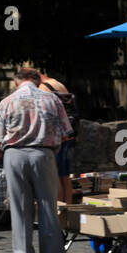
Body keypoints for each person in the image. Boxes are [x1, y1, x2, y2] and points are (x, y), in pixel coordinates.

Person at [0, 67, 74, 253]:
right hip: (43, 155)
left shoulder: (6, 102)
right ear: (37, 81)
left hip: (14, 155)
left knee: (20, 208)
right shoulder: (53, 100)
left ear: (17, 82)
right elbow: (66, 133)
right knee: (48, 206)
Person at [38, 75, 78, 203]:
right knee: (65, 176)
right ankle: (68, 211)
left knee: (56, 176)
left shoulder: (43, 87)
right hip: (68, 133)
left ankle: (59, 212)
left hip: (57, 136)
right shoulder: (58, 84)